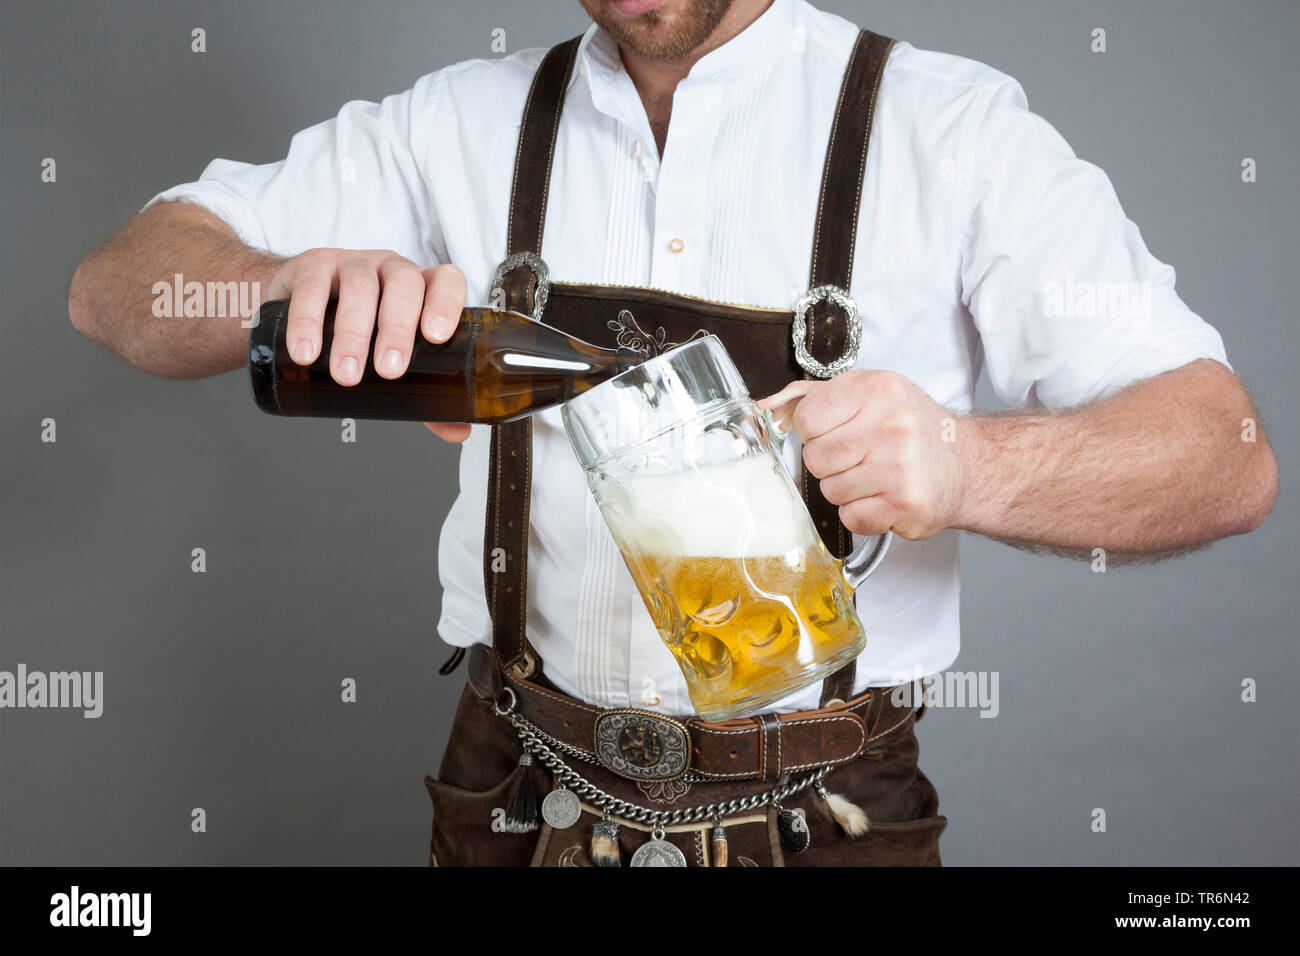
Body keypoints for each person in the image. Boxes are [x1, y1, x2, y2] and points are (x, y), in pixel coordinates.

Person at [68, 0, 1277, 867]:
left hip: (828, 816)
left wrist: (968, 463)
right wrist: (284, 281)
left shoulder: (951, 130)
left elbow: (1224, 457)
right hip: (510, 794)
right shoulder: (455, 121)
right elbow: (119, 286)